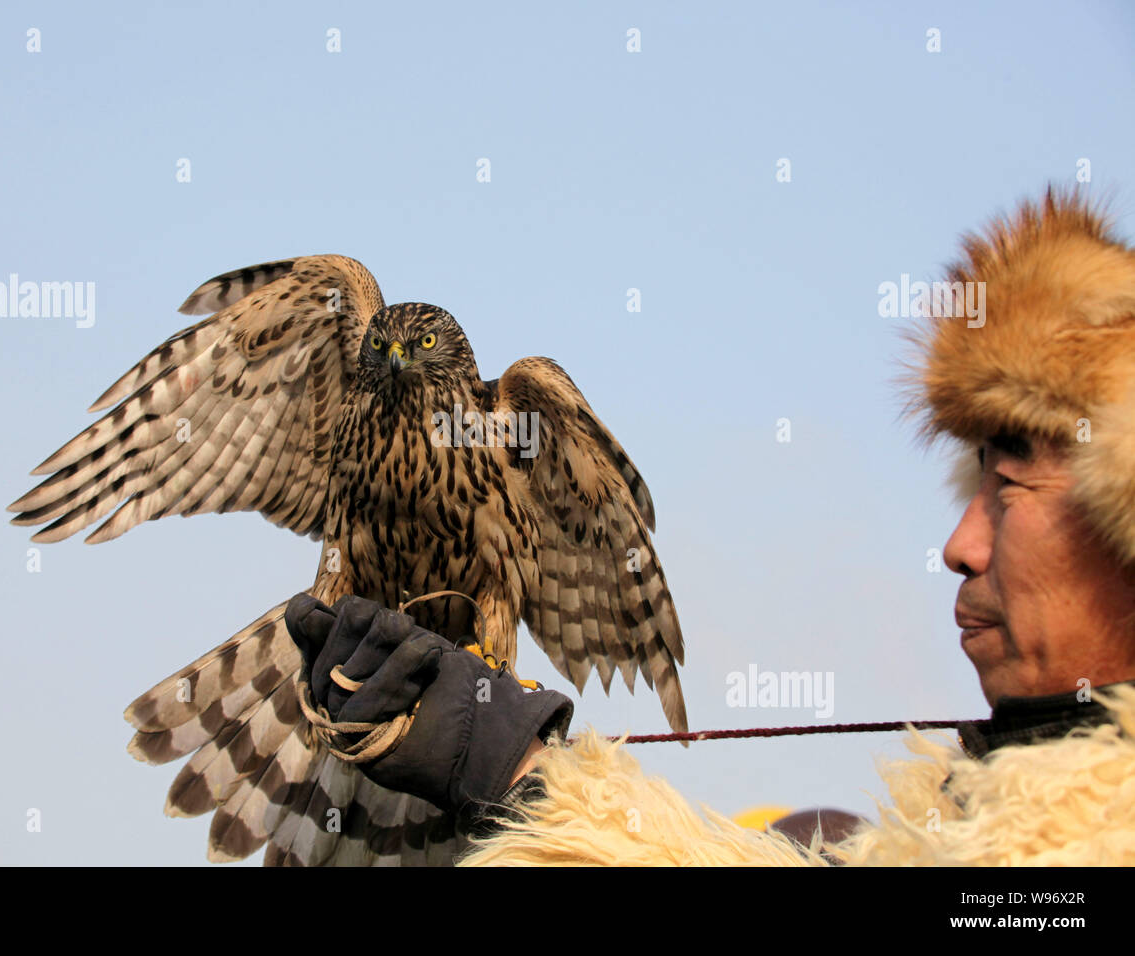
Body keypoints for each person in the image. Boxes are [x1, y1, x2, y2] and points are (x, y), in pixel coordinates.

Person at [286, 187, 1135, 865]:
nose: (959, 545)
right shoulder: (960, 821)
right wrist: (524, 770)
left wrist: (523, 773)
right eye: (970, 483)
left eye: (1010, 484)